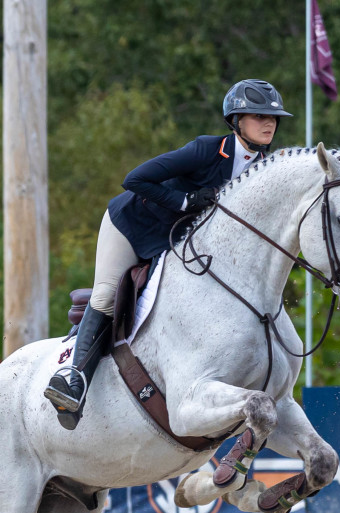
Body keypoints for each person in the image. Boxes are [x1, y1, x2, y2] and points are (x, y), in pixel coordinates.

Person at [45, 79, 293, 429]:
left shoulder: (265, 168)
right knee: (106, 294)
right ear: (236, 120)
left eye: (273, 118)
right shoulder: (207, 150)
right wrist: (185, 201)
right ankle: (73, 379)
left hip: (178, 242)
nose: (269, 123)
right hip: (133, 225)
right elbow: (135, 179)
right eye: (257, 116)